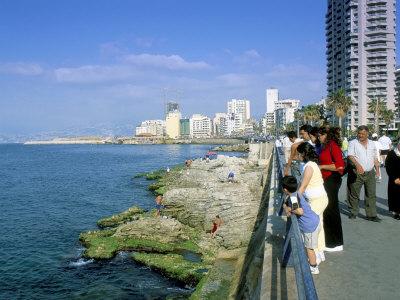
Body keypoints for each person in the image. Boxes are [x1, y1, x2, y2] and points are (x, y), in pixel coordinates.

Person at [282, 175, 321, 275]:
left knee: (309, 247)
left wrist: (288, 209)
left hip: (310, 226)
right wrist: (286, 205)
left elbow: (299, 211)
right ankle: (316, 257)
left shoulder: (293, 198)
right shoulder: (297, 193)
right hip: (313, 220)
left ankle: (313, 267)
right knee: (309, 245)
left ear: (285, 189)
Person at [296, 142, 329, 263]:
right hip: (317, 199)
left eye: (299, 154)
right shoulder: (311, 165)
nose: (297, 156)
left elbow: (302, 187)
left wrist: (293, 203)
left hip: (317, 200)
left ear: (303, 154)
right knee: (318, 224)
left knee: (314, 226)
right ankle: (319, 252)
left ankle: (315, 255)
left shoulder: (309, 167)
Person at [318, 127, 345, 252]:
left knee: (331, 210)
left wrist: (322, 166)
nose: (319, 137)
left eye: (320, 135)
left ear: (326, 135)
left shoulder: (332, 146)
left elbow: (339, 166)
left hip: (332, 179)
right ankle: (330, 242)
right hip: (327, 179)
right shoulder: (326, 146)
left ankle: (336, 243)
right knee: (328, 210)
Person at [347, 125, 381, 222]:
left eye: (363, 134)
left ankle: (371, 215)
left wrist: (377, 170)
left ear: (367, 134)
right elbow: (350, 156)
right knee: (354, 193)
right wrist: (357, 165)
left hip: (370, 172)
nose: (360, 135)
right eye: (359, 133)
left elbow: (375, 157)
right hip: (356, 172)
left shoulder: (372, 143)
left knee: (371, 193)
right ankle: (353, 212)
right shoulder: (353, 143)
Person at [385, 141, 400, 220]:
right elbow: (388, 166)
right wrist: (394, 178)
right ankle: (396, 212)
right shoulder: (391, 153)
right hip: (394, 179)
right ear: (398, 145)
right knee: (395, 195)